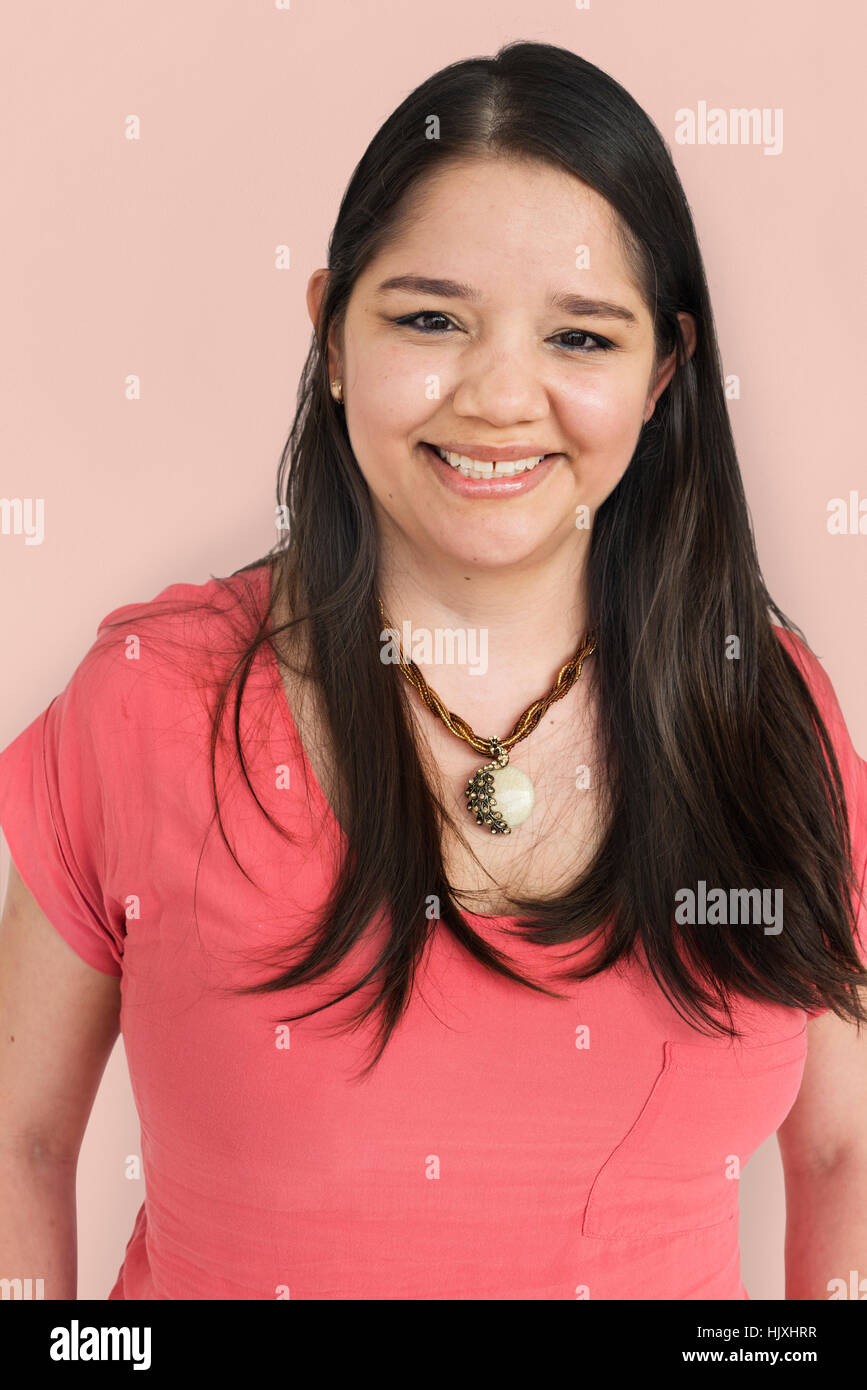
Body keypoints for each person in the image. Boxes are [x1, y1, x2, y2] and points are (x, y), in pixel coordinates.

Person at [1, 40, 865, 1302]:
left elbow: (842, 1150)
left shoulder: (763, 701)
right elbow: (19, 1139)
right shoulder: (147, 697)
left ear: (664, 373)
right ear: (332, 337)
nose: (502, 396)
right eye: (428, 318)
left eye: (581, 335)